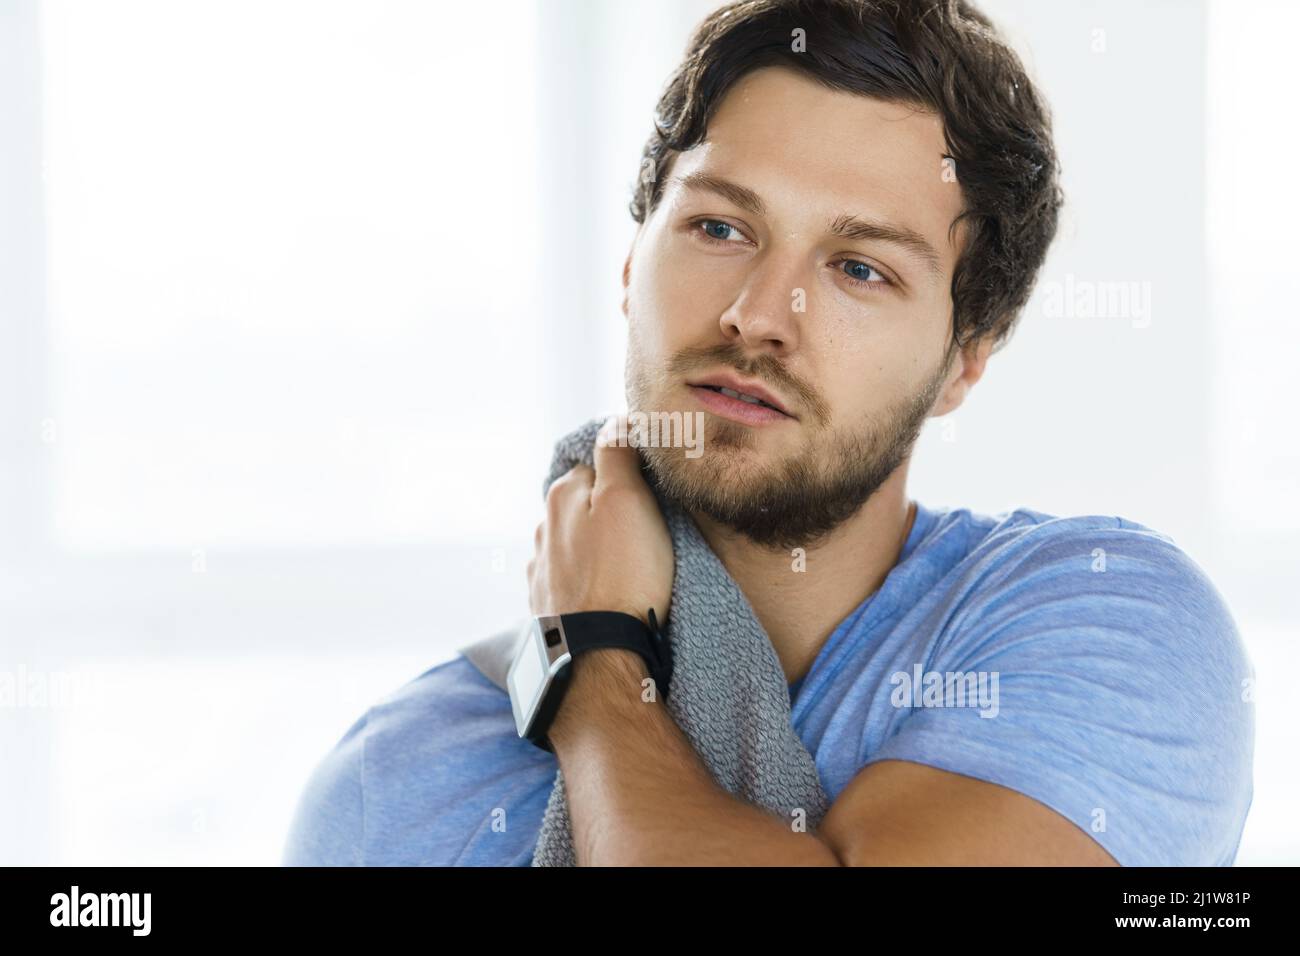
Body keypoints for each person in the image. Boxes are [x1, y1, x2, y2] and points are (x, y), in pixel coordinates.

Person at [282, 0, 1253, 867]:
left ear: (963, 361)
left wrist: (596, 664)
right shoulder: (397, 785)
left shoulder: (1105, 626)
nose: (758, 313)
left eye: (859, 269)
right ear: (630, 263)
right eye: (718, 229)